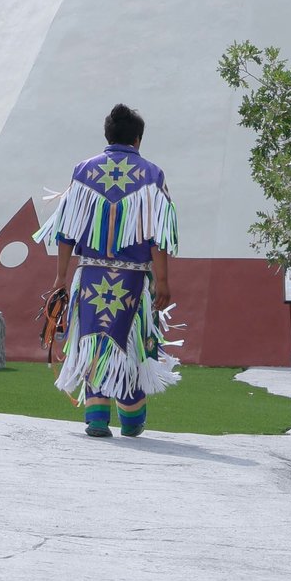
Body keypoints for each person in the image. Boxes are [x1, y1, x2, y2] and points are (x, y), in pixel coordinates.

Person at [38, 103, 180, 437]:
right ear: (138, 140)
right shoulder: (152, 175)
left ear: (107, 135)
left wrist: (60, 277)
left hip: (89, 276)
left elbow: (66, 232)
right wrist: (163, 282)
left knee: (93, 343)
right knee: (131, 345)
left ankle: (97, 418)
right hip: (132, 279)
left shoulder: (83, 171)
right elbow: (159, 238)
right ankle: (131, 420)